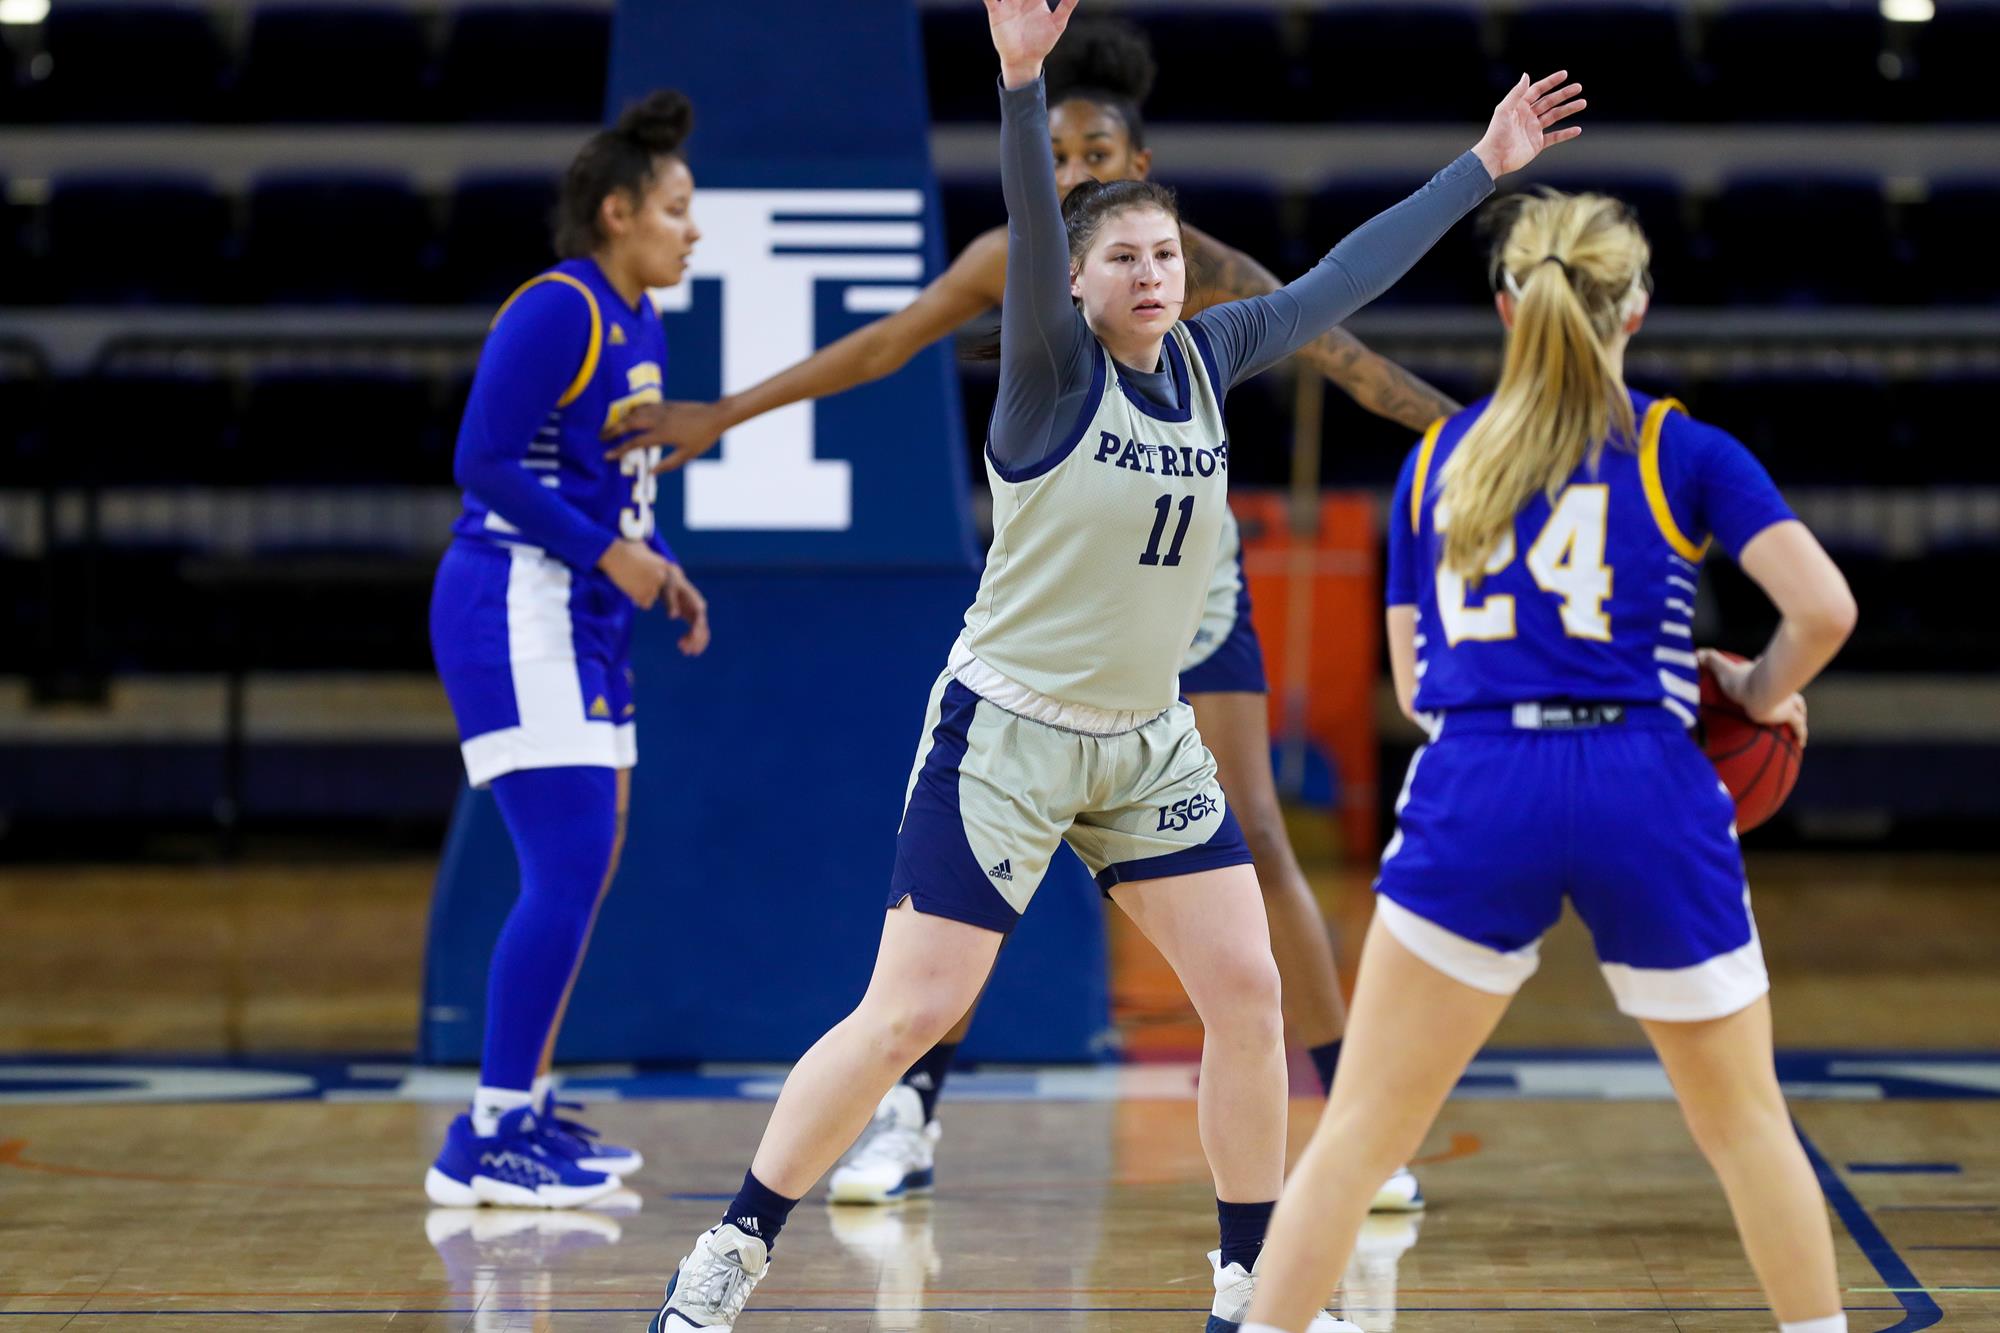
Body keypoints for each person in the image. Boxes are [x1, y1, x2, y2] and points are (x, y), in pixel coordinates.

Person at [643, 2, 1581, 1326]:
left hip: (1144, 743)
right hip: (1009, 734)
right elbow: (1033, 208)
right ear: (1071, 283)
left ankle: (1248, 1282)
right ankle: (729, 1254)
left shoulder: (1207, 352)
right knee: (907, 1014)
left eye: (1161, 253)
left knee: (1245, 994)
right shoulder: (1045, 371)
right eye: (1119, 258)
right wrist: (1020, 84)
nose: (1150, 274)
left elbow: (1335, 287)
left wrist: (1480, 165)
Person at [1235, 189, 1859, 1333]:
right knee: (1745, 1124)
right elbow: (1822, 608)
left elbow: (1417, 682)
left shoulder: (1436, 462)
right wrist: (1749, 693)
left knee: (1364, 1127)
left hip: (1483, 778)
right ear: (1636, 310)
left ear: (1502, 305)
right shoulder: (1683, 448)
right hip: (1643, 782)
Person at [423, 90, 712, 1208]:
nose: (693, 230)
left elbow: (607, 475)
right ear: (616, 212)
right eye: (677, 209)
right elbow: (484, 462)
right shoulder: (558, 307)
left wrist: (656, 560)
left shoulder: (640, 317)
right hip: (511, 598)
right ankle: (486, 1136)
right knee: (566, 859)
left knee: (586, 858)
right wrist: (609, 555)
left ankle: (521, 1106)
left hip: (579, 605)